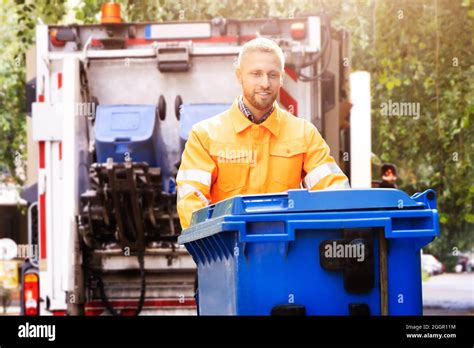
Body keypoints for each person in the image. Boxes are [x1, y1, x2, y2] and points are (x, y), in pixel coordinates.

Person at [176, 38, 350, 229]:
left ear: (282, 77)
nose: (265, 83)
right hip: (227, 253)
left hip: (288, 250)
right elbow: (191, 201)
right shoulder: (205, 136)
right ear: (239, 75)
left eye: (272, 75)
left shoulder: (304, 134)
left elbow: (333, 192)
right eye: (256, 74)